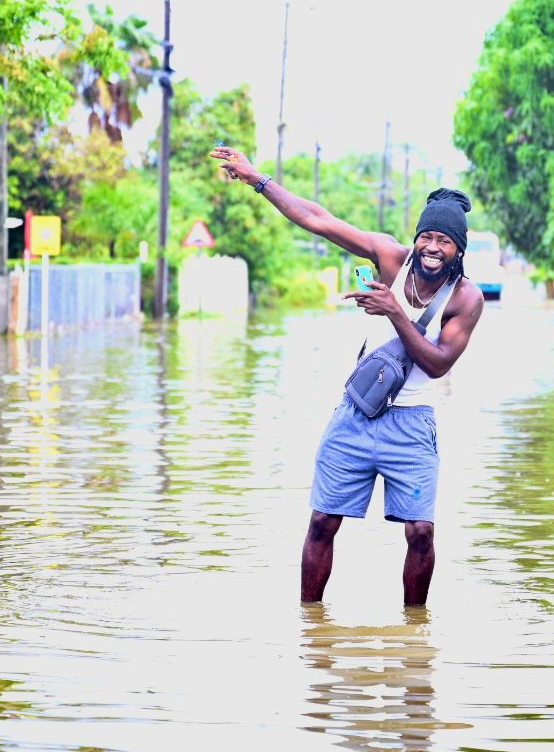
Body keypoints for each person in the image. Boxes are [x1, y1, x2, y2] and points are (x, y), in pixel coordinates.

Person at [208, 145, 486, 608]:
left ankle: (414, 632)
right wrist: (258, 179)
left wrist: (394, 312)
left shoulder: (466, 298)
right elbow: (317, 218)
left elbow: (438, 365)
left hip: (413, 423)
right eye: (427, 237)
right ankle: (310, 628)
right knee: (321, 523)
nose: (433, 248)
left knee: (420, 532)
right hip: (354, 416)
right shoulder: (389, 257)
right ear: (416, 238)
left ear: (459, 249)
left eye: (446, 241)